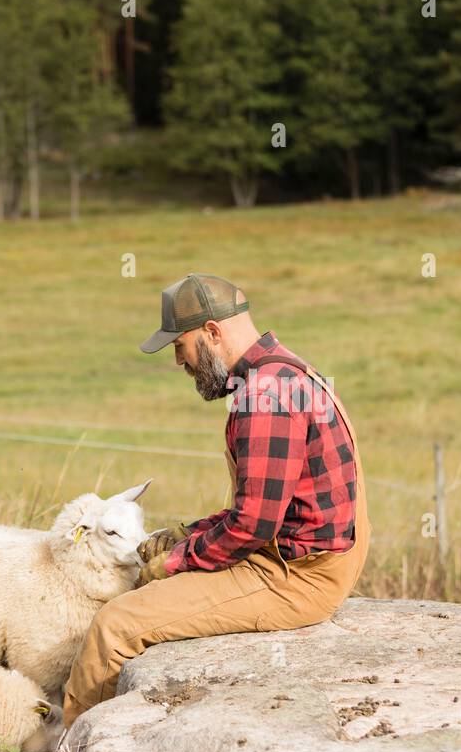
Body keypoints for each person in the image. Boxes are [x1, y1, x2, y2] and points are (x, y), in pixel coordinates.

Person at [62, 273, 370, 727]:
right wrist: (189, 533)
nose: (178, 361)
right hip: (304, 556)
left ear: (211, 332)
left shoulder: (264, 398)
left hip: (296, 577)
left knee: (116, 625)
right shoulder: (283, 371)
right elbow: (268, 504)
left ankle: (73, 748)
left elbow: (253, 526)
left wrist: (174, 562)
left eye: (180, 346)